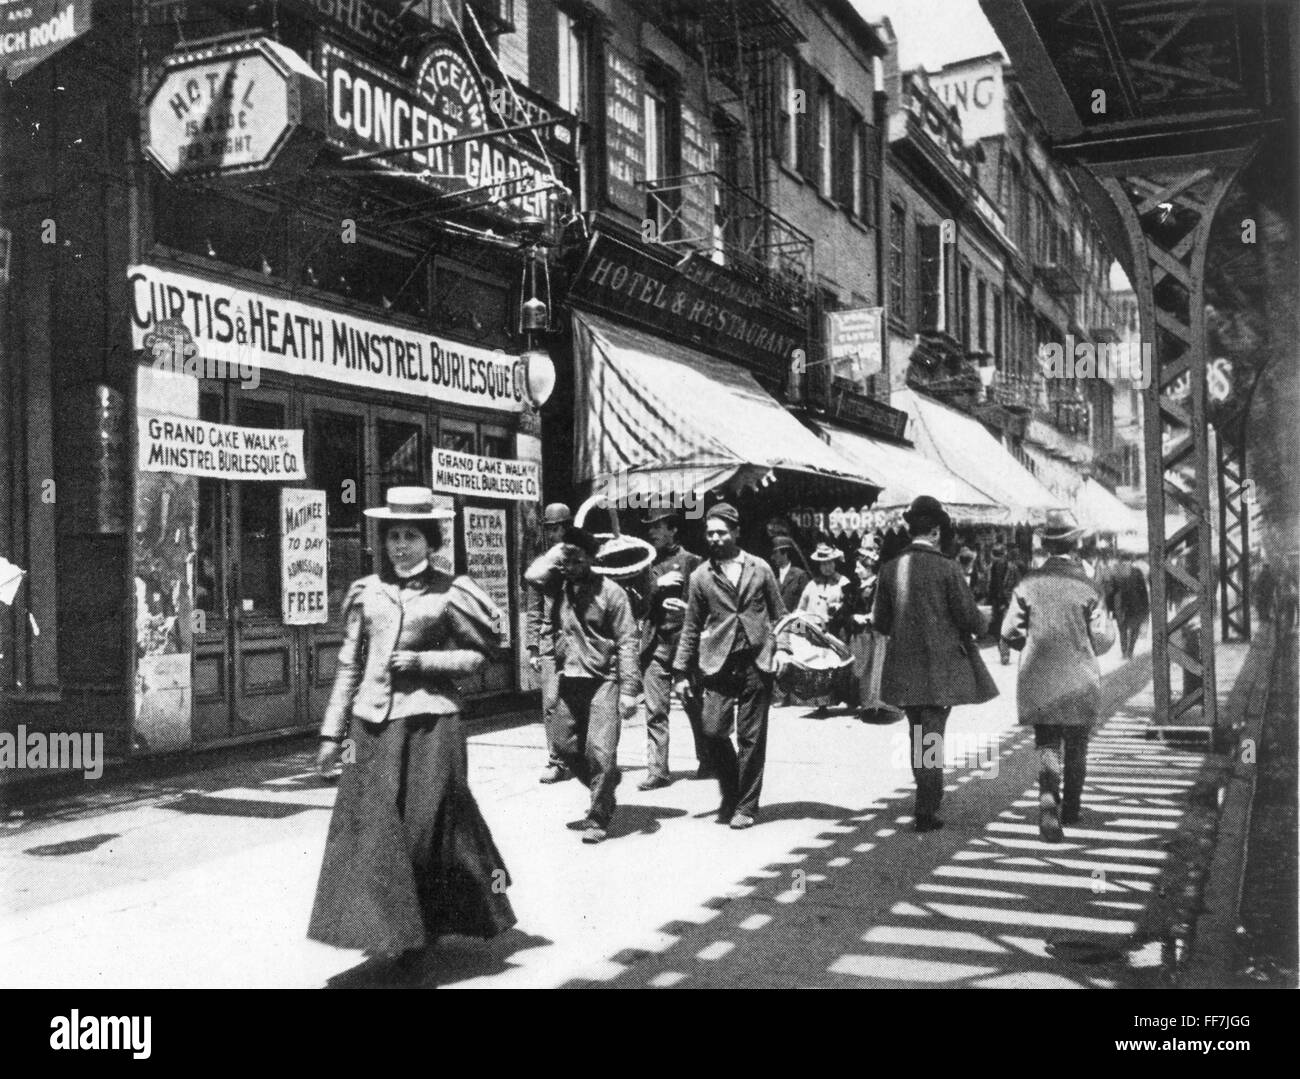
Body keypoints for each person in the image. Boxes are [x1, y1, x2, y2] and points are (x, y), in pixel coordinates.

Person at [309, 487, 515, 962]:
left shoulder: (453, 592)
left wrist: (423, 660)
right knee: (369, 828)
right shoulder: (367, 592)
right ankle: (389, 930)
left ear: (430, 540)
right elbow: (348, 667)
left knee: (424, 830)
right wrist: (329, 735)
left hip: (431, 725)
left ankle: (417, 933)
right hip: (370, 728)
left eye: (411, 536)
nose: (400, 545)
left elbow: (480, 655)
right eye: (393, 535)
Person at [873, 495, 997, 833]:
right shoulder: (948, 568)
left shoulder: (889, 568)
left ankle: (927, 795)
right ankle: (926, 807)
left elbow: (880, 623)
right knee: (931, 737)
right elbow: (971, 619)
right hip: (941, 670)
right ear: (937, 532)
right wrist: (984, 624)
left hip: (904, 670)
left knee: (920, 735)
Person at [1001, 510, 1116, 842]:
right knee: (1078, 745)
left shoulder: (1027, 584)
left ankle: (1048, 807)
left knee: (1047, 744)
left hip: (1039, 678)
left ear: (1045, 545)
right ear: (1076, 542)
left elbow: (1009, 631)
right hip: (1080, 676)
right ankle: (1072, 809)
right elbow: (1104, 638)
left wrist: (1033, 642)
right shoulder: (1088, 586)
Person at [674, 503, 789, 830]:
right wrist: (681, 672)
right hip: (718, 662)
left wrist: (784, 649)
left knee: (752, 738)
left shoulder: (760, 568)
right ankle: (732, 790)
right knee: (712, 729)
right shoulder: (700, 576)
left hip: (757, 659)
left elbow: (781, 615)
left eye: (721, 532)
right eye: (709, 533)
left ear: (736, 532)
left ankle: (745, 806)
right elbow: (691, 626)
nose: (714, 538)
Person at [532, 527, 641, 844]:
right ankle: (606, 784)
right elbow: (532, 576)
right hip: (568, 677)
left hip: (603, 681)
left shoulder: (612, 593)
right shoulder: (560, 586)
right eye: (565, 559)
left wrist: (630, 690)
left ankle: (598, 816)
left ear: (592, 560)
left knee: (600, 751)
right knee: (563, 745)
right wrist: (556, 552)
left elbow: (627, 642)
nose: (569, 565)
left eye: (576, 559)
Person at [636, 509, 710, 790]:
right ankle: (658, 771)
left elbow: (704, 607)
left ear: (673, 530)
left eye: (657, 527)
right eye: (650, 528)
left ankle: (708, 759)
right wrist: (657, 586)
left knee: (695, 706)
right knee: (655, 710)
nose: (652, 533)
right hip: (655, 645)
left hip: (685, 648)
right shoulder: (645, 564)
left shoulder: (693, 563)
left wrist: (686, 609)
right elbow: (638, 606)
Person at [524, 502, 574, 784]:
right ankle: (556, 760)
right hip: (551, 640)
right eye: (550, 529)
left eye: (559, 528)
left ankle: (580, 755)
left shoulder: (581, 560)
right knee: (551, 702)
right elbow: (534, 608)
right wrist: (532, 647)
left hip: (580, 640)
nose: (555, 533)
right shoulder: (542, 565)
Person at [796, 542, 860, 712]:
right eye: (823, 563)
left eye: (829, 562)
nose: (826, 567)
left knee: (841, 666)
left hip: (837, 630)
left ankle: (848, 699)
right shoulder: (812, 584)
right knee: (819, 667)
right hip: (816, 633)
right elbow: (800, 609)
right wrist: (800, 629)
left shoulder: (843, 582)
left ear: (835, 562)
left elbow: (852, 605)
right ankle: (821, 703)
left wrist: (840, 608)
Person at [987, 544, 1021, 665]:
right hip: (1008, 600)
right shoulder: (1013, 567)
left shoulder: (993, 566)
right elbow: (1018, 585)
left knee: (999, 627)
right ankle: (1005, 653)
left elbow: (992, 585)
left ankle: (1004, 653)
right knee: (1006, 627)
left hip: (1000, 601)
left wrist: (992, 600)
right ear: (1004, 553)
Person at [1112, 555, 1150, 659]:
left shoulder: (1117, 572)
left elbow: (1112, 592)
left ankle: (1125, 652)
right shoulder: (1136, 572)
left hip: (1123, 606)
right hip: (1135, 605)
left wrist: (1112, 609)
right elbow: (1143, 590)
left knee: (1123, 630)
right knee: (1134, 629)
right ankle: (1129, 652)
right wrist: (1146, 605)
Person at [771, 536, 810, 614]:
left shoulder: (800, 576)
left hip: (797, 623)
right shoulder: (772, 578)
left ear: (785, 553)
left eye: (775, 553)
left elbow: (805, 605)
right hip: (778, 625)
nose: (772, 557)